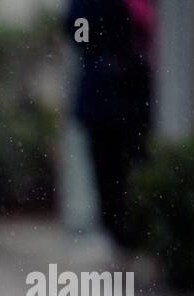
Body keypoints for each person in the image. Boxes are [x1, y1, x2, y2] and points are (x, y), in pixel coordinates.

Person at [64, 0, 155, 252]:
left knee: (133, 164)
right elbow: (75, 29)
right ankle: (118, 232)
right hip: (106, 96)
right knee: (108, 169)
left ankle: (133, 229)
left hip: (133, 96)